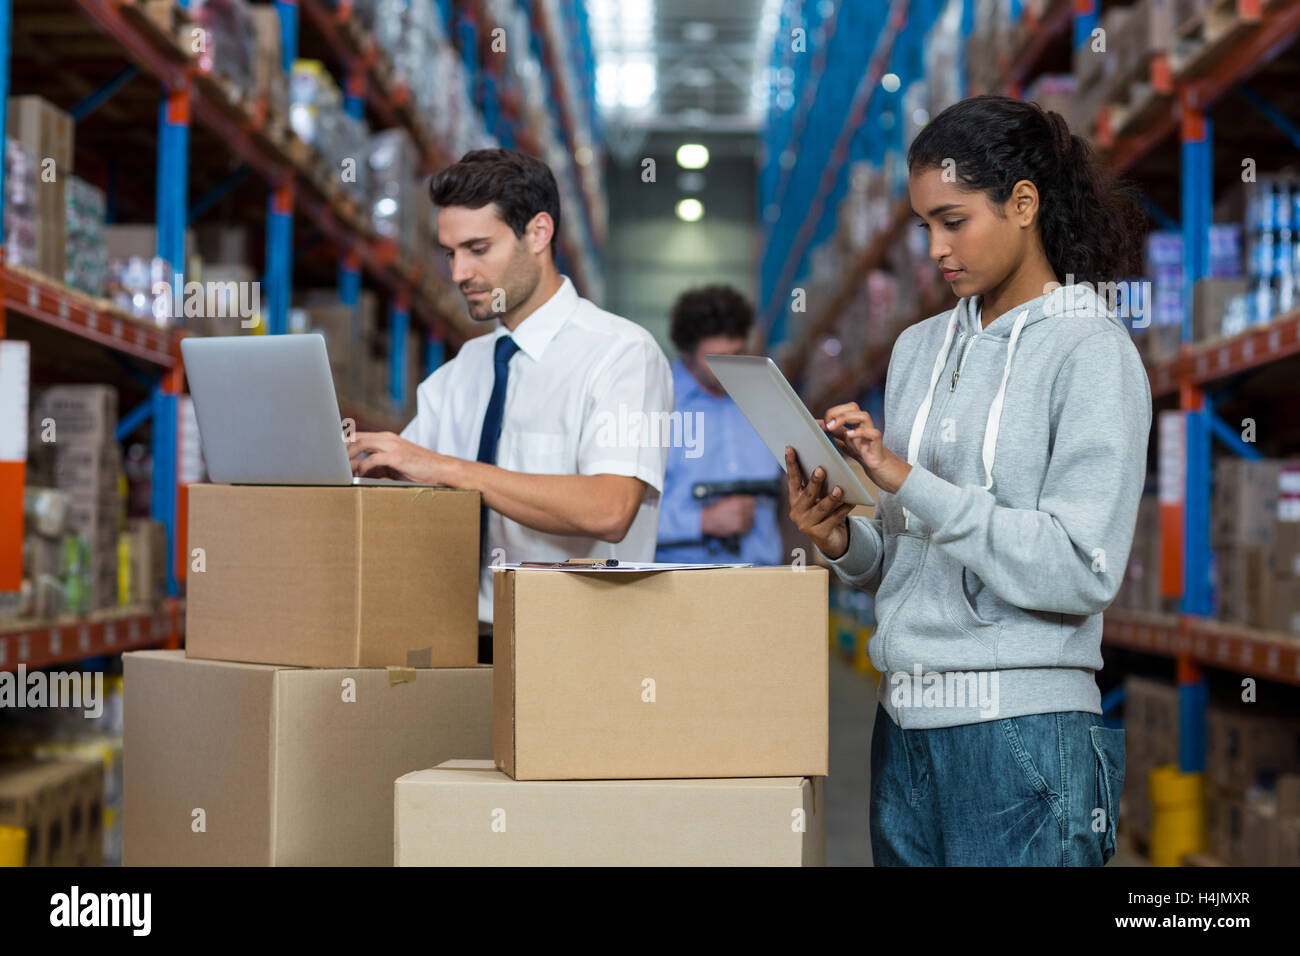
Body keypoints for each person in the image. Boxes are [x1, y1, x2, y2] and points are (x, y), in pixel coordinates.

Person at [787, 95, 1151, 866]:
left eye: (954, 221)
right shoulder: (919, 348)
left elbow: (1079, 568)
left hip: (1023, 736)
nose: (936, 249)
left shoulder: (1091, 351)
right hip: (905, 729)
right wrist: (846, 543)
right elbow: (910, 552)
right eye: (924, 226)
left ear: (1023, 204)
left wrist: (909, 480)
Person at [348, 149, 673, 660]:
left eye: (478, 248)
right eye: (450, 252)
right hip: (462, 639)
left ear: (538, 233)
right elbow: (407, 475)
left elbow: (610, 509)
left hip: (580, 648)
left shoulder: (622, 355)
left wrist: (450, 469)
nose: (459, 273)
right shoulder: (462, 372)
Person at [655, 285, 784, 565]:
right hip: (680, 584)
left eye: (737, 353)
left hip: (764, 582)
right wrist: (701, 521)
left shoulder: (770, 400)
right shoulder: (655, 406)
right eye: (715, 359)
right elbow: (622, 517)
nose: (729, 367)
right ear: (686, 354)